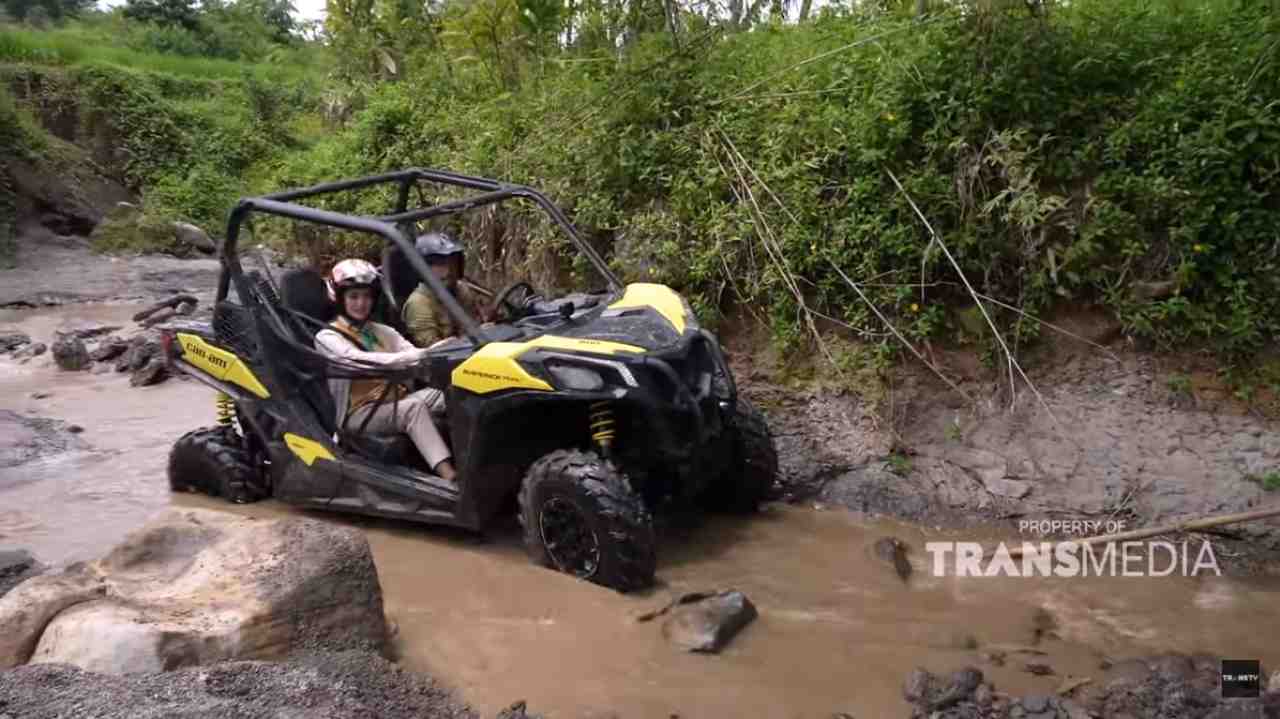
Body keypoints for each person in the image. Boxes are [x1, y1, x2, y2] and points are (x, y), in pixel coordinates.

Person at [314, 258, 458, 482]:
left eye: (367, 296)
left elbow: (411, 352)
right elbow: (361, 360)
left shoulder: (381, 331)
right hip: (359, 414)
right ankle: (450, 477)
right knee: (413, 409)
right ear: (340, 299)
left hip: (395, 399)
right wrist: (421, 355)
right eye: (354, 297)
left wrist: (440, 351)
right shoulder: (327, 337)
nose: (361, 303)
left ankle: (472, 460)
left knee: (455, 391)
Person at [401, 231, 493, 348]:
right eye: (440, 264)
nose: (449, 269)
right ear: (423, 266)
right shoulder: (418, 303)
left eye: (452, 262)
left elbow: (473, 325)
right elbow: (435, 350)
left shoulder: (461, 289)